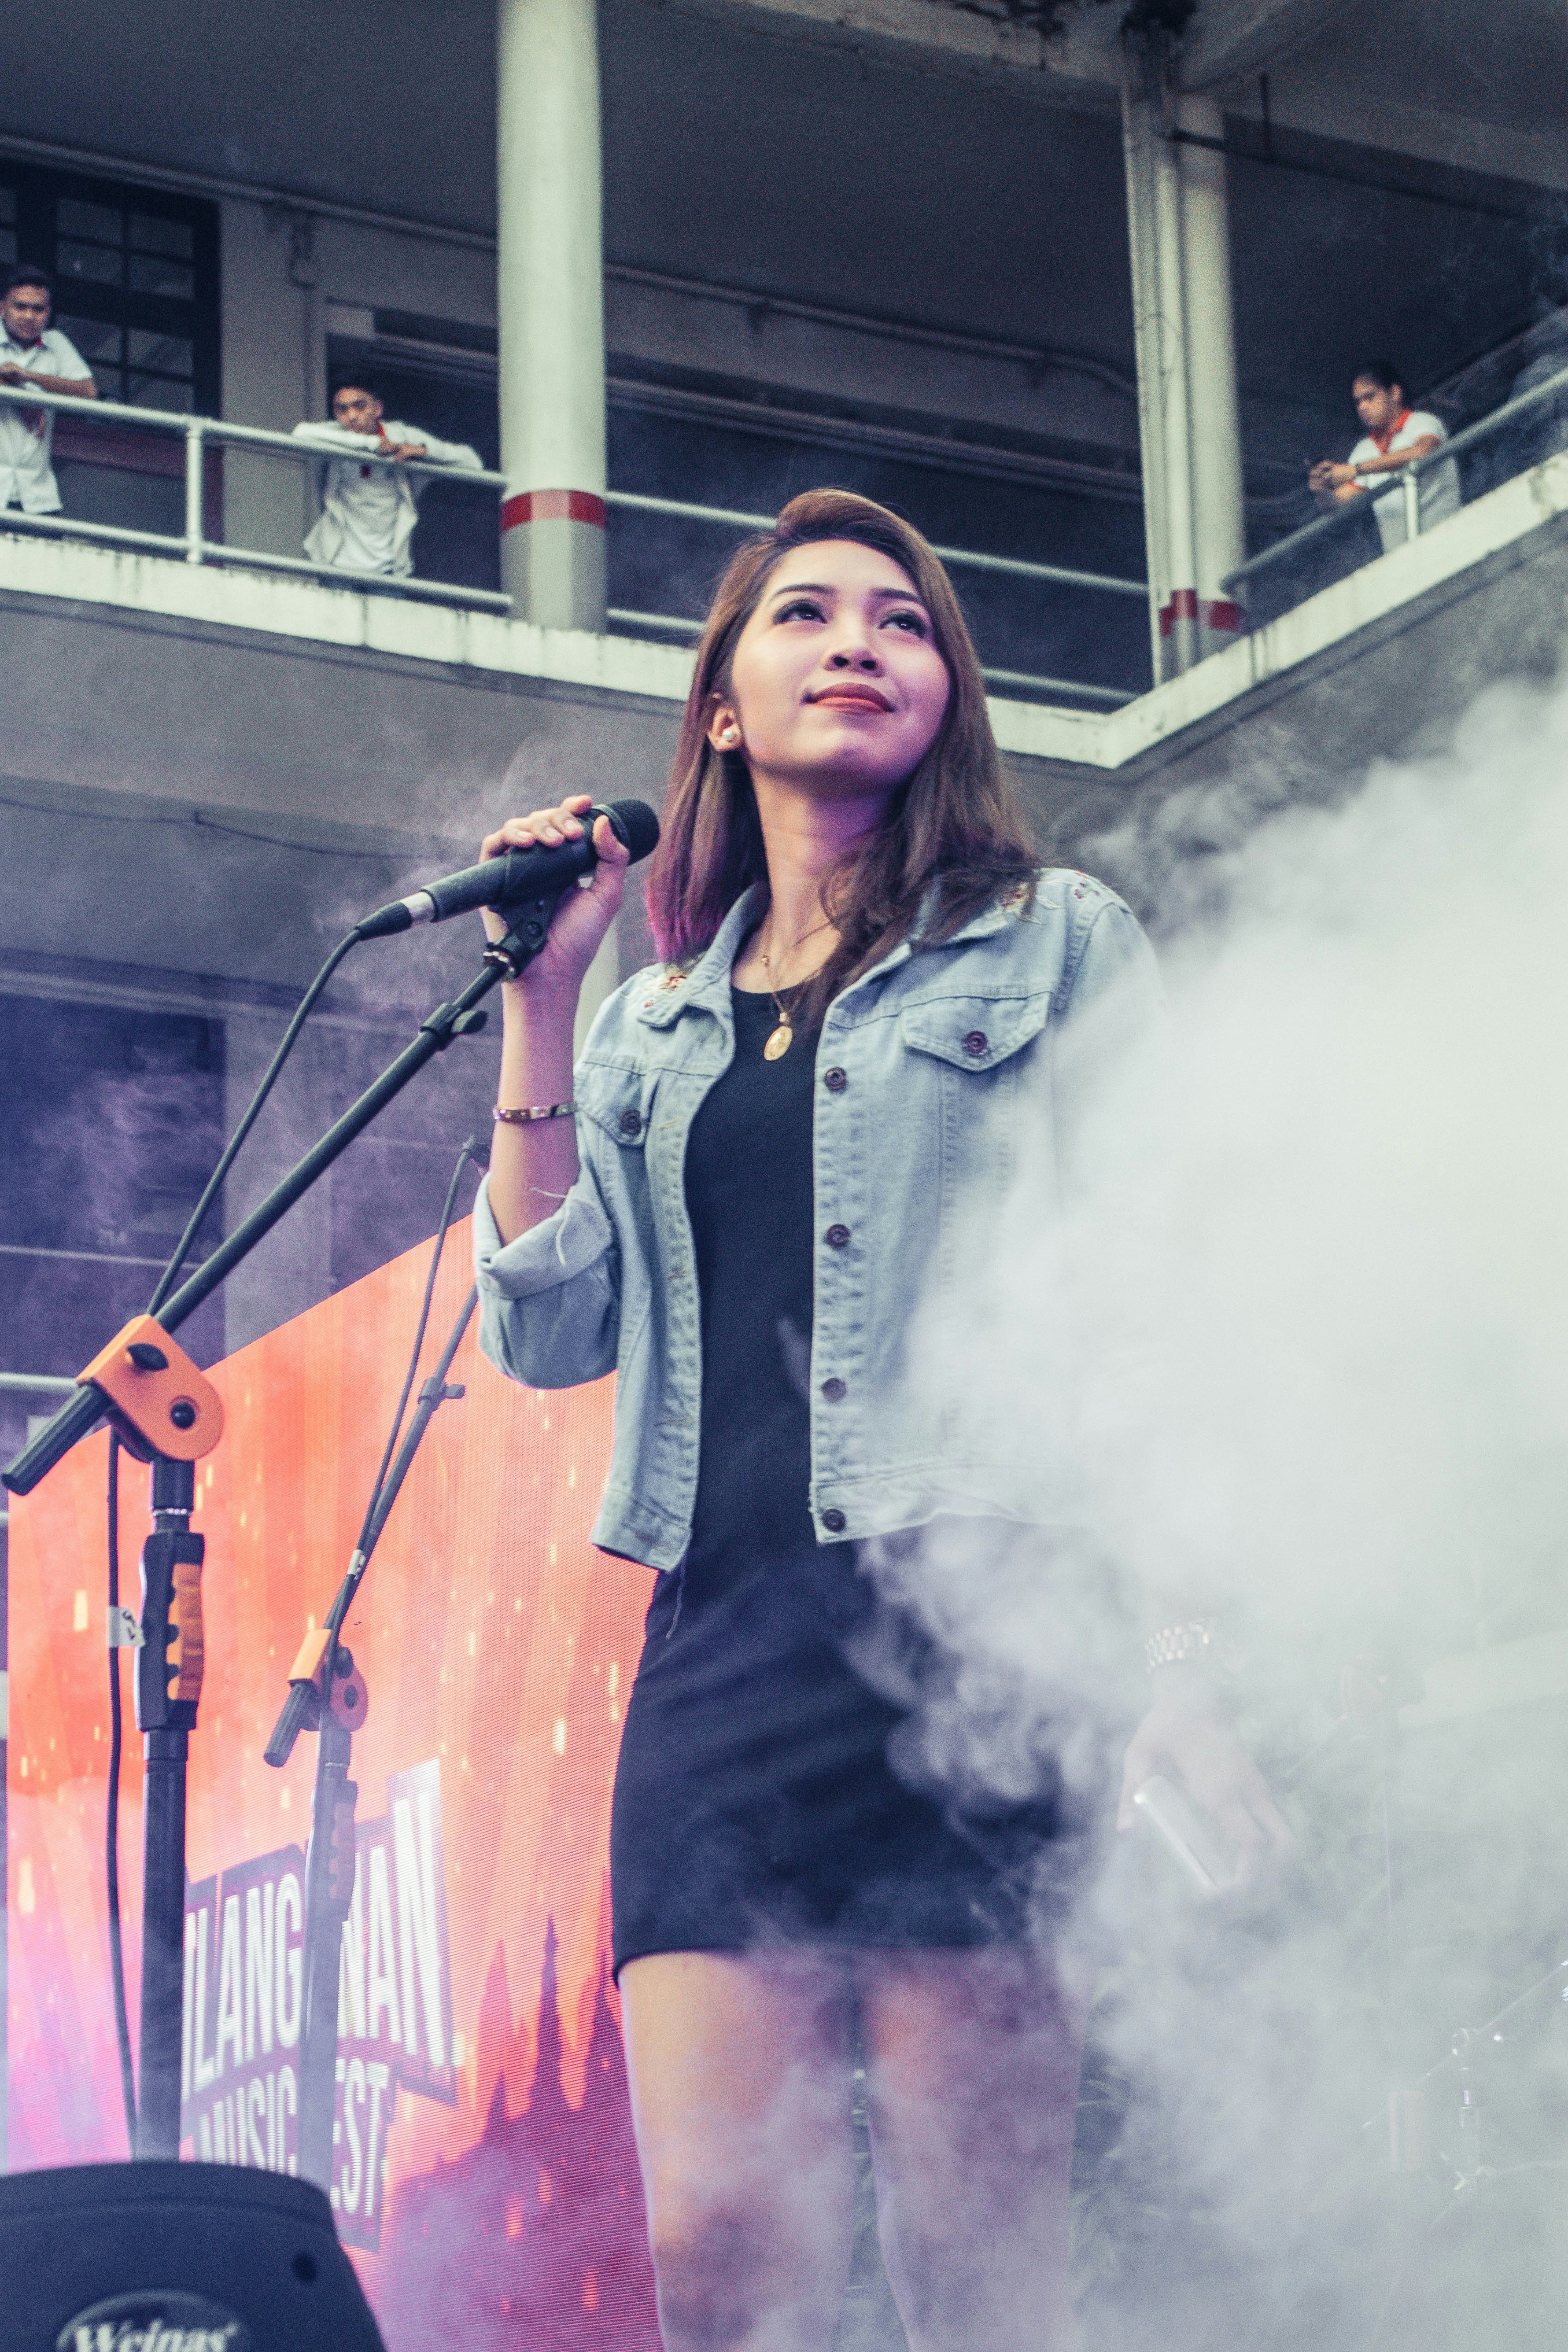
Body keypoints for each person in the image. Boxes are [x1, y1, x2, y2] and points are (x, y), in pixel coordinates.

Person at [472, 489, 1289, 2351]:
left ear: (944, 694)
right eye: (806, 613)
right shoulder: (644, 1023)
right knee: (719, 2252)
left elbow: (1155, 1315)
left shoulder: (1053, 943)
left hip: (975, 1649)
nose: (856, 639)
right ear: (719, 705)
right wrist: (543, 1001)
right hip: (719, 1662)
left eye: (900, 620)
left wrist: (1178, 1661)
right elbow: (549, 1331)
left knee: (970, 2262)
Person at [290, 380, 481, 577]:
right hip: (336, 564)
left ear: (377, 408)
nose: (352, 416)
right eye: (342, 410)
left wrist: (422, 451)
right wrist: (371, 444)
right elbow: (300, 433)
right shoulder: (336, 434)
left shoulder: (401, 436)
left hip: (389, 567)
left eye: (360, 406)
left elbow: (471, 462)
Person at [1309, 361, 1460, 553]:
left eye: (1370, 397)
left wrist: (1356, 470)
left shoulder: (1422, 422)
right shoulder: (1364, 449)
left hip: (1448, 541)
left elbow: (1421, 452)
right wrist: (1321, 488)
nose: (1362, 407)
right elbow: (1338, 502)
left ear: (1395, 393)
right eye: (1358, 402)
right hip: (1401, 557)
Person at [0, 265, 97, 516]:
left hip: (38, 496)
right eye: (20, 307)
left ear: (49, 312)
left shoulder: (56, 342)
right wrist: (24, 403)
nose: (29, 316)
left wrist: (29, 377)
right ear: (2, 308)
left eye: (38, 309)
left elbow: (88, 392)